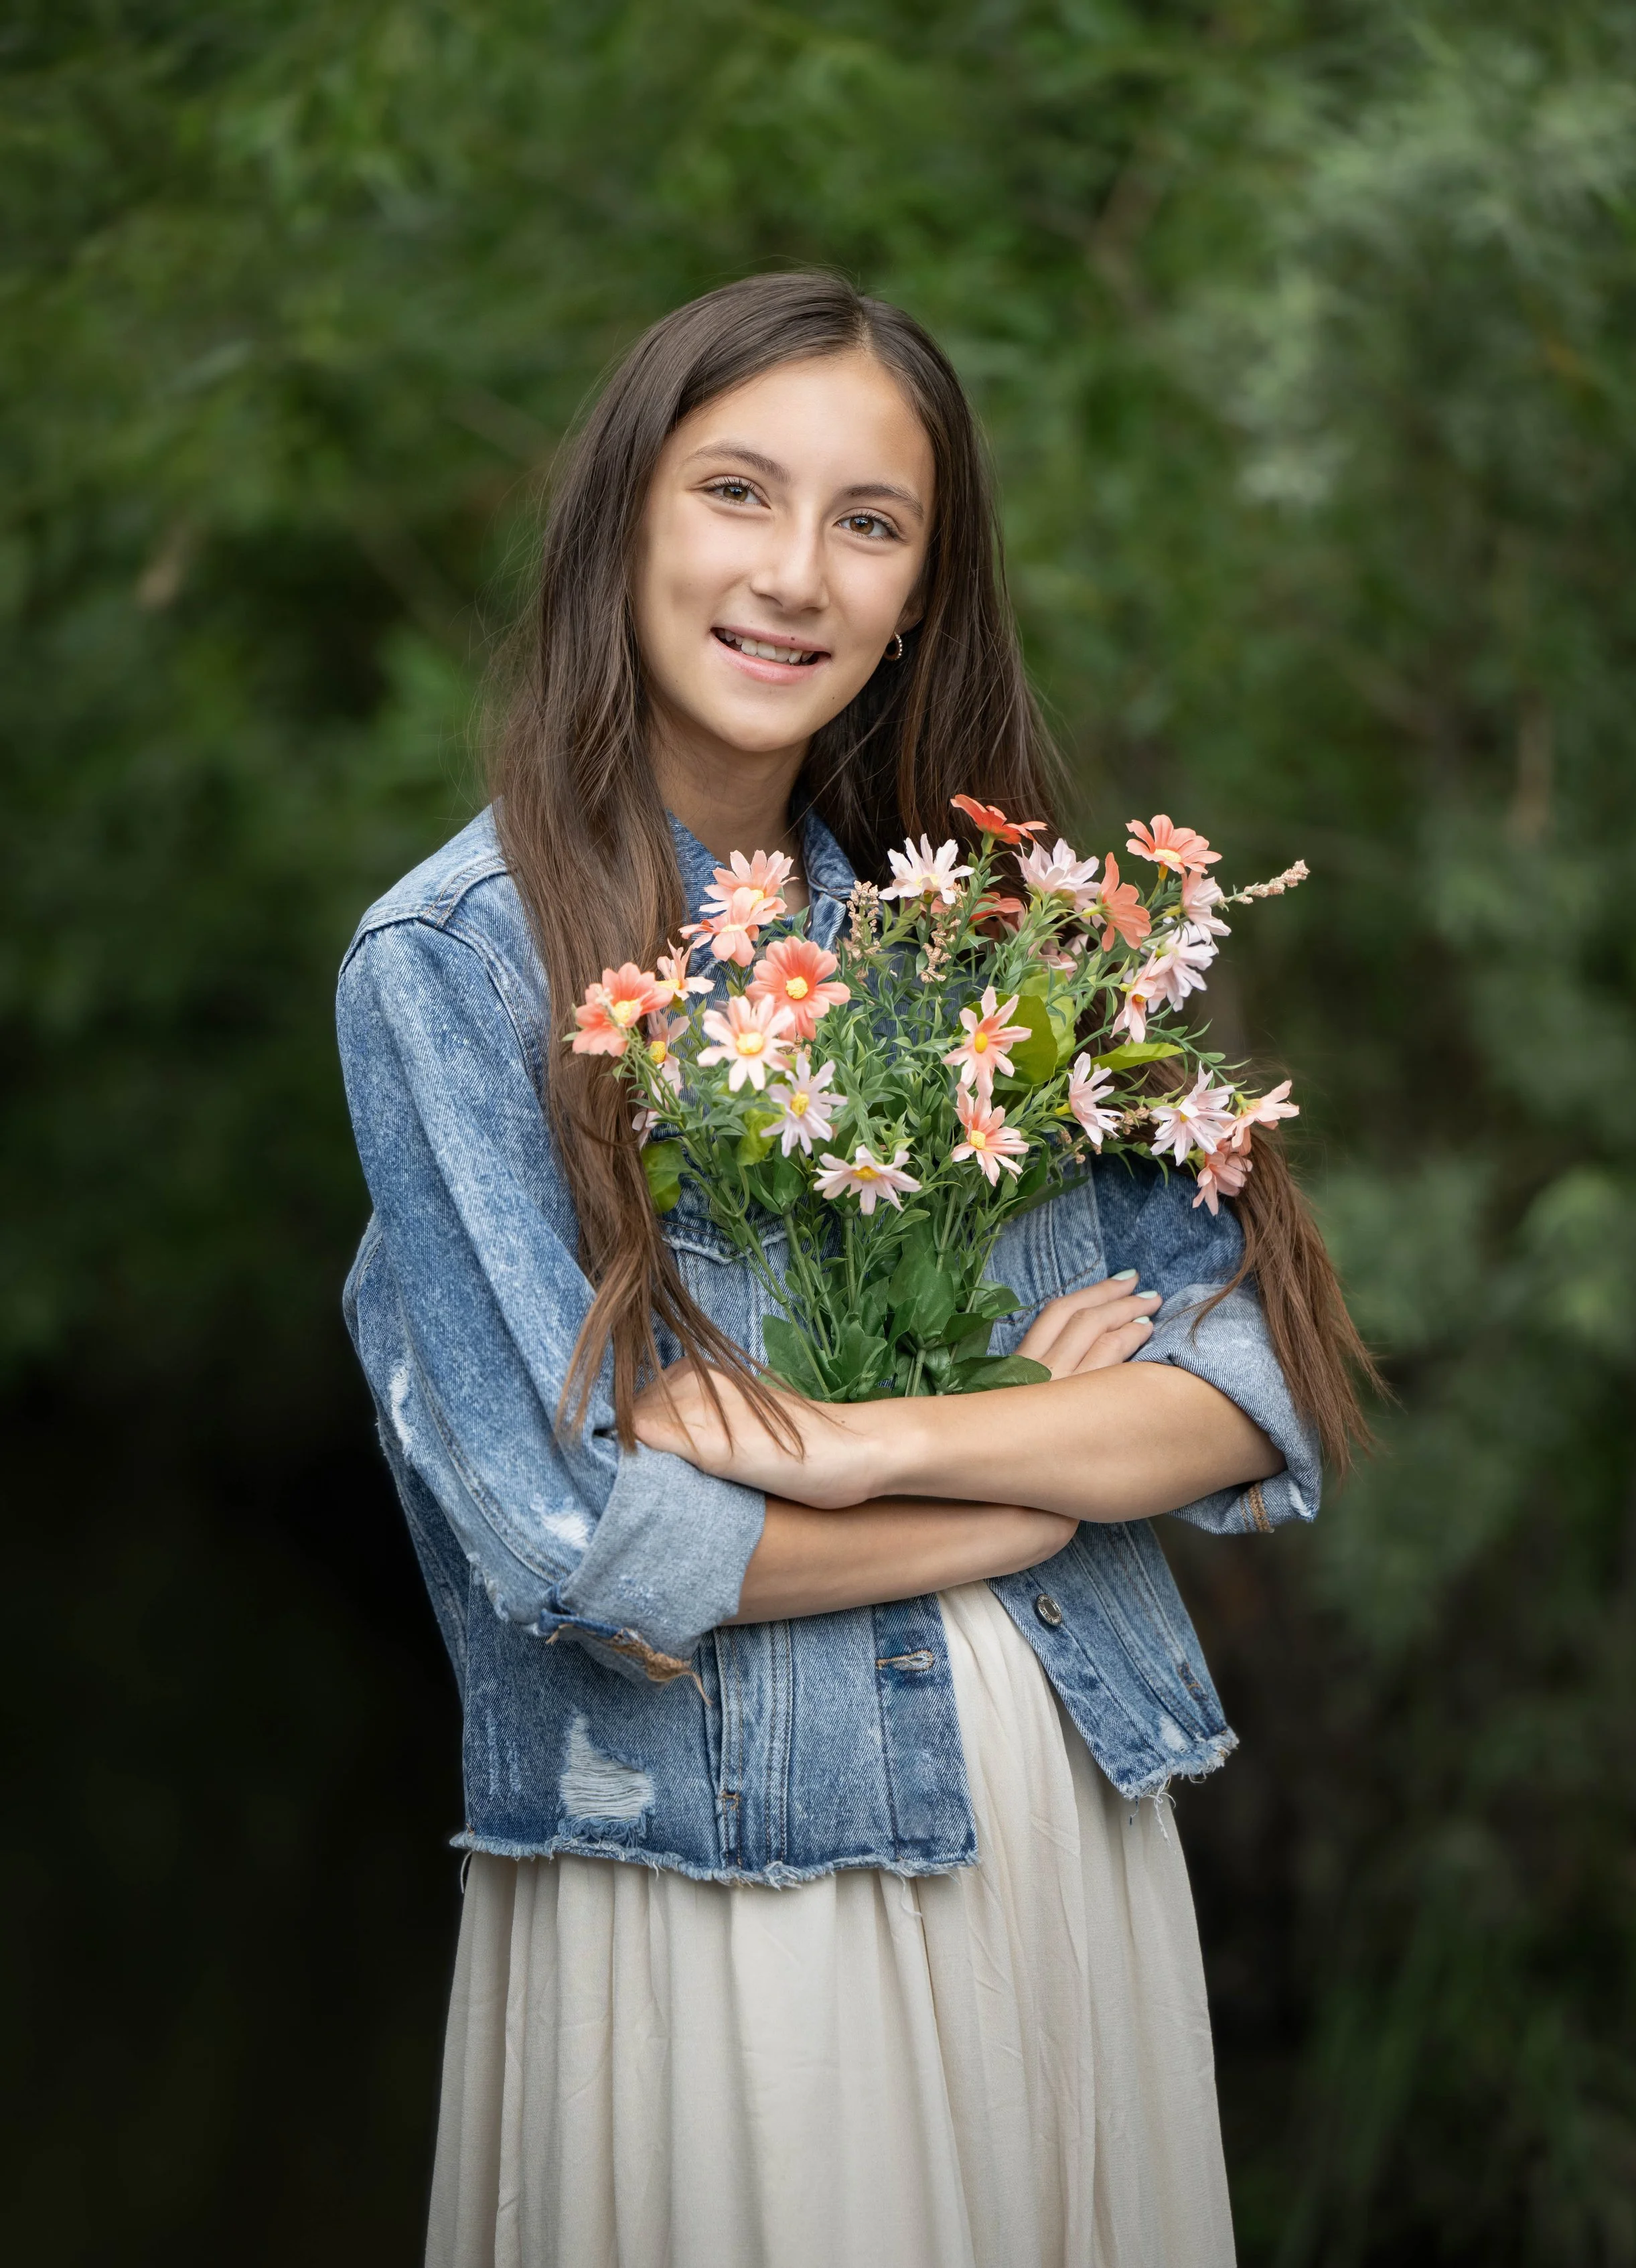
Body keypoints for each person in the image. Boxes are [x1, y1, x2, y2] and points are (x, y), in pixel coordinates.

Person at [336, 271, 1372, 2268]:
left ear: (922, 585)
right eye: (737, 491)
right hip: (731, 1880)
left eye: (869, 521)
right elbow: (594, 1555)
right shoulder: (455, 971)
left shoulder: (997, 950)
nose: (792, 573)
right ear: (627, 516)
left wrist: (869, 1447)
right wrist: (1031, 1477)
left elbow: (1255, 1393)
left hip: (1068, 1831)